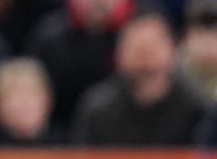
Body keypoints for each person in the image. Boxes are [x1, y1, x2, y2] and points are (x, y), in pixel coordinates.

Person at [70, 8, 207, 147]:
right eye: (137, 48)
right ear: (119, 54)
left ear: (172, 49)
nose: (145, 58)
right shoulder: (97, 110)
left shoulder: (196, 109)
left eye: (152, 47)